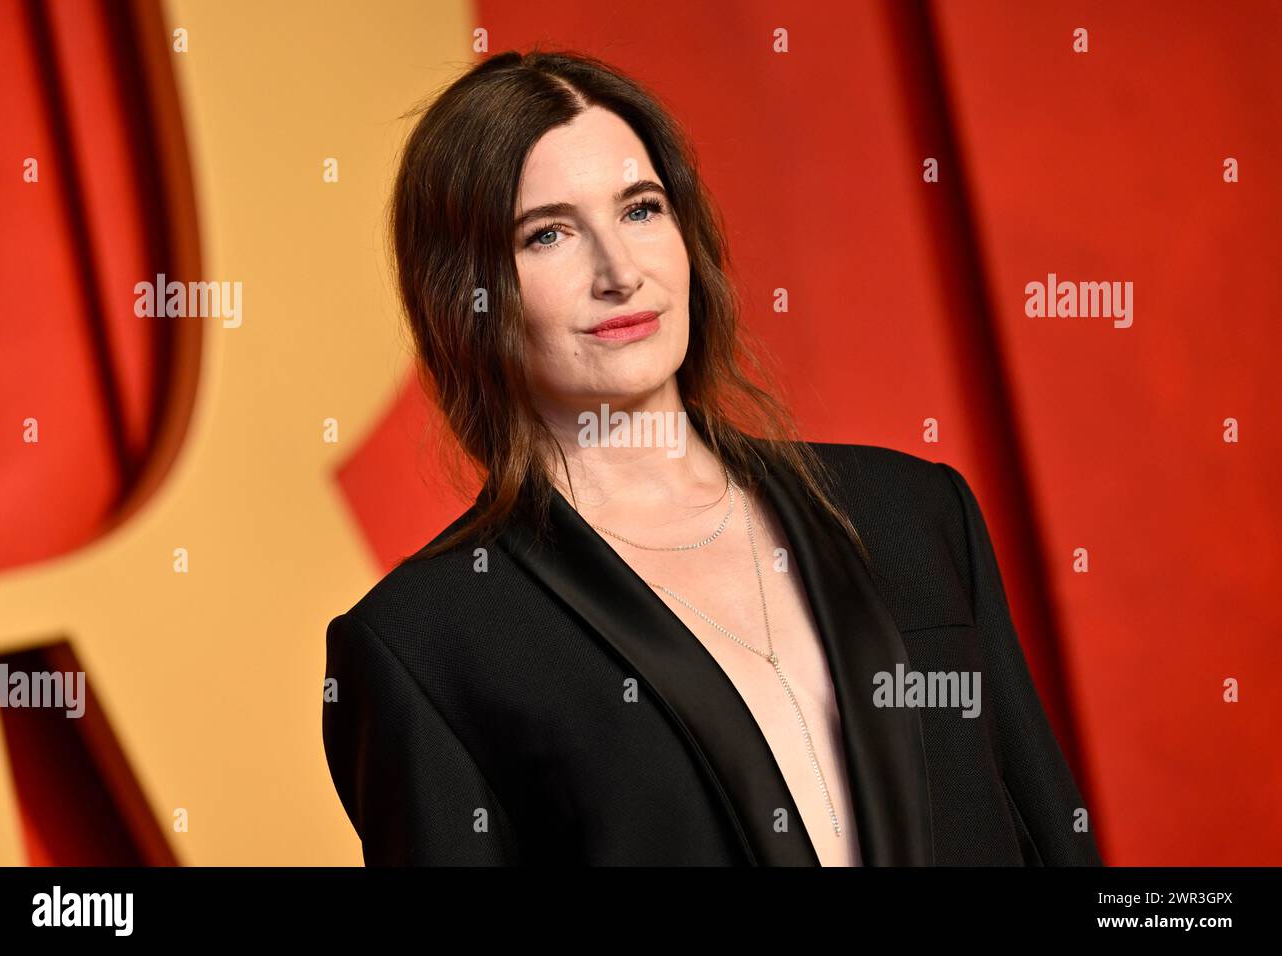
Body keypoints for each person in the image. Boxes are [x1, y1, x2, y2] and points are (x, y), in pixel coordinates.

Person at [321, 48, 1102, 867]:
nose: (619, 272)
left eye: (641, 209)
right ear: (466, 293)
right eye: (547, 234)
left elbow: (1055, 841)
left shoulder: (914, 515)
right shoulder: (428, 645)